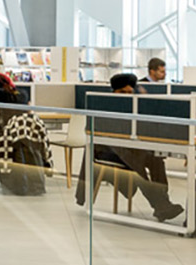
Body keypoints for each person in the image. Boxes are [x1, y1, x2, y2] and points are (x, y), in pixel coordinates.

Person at [74, 73, 183, 222]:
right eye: (122, 92)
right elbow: (93, 132)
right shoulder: (101, 103)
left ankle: (163, 202)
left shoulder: (134, 105)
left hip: (129, 148)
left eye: (129, 92)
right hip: (105, 151)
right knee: (134, 164)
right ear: (114, 91)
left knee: (156, 159)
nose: (126, 96)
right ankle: (160, 204)